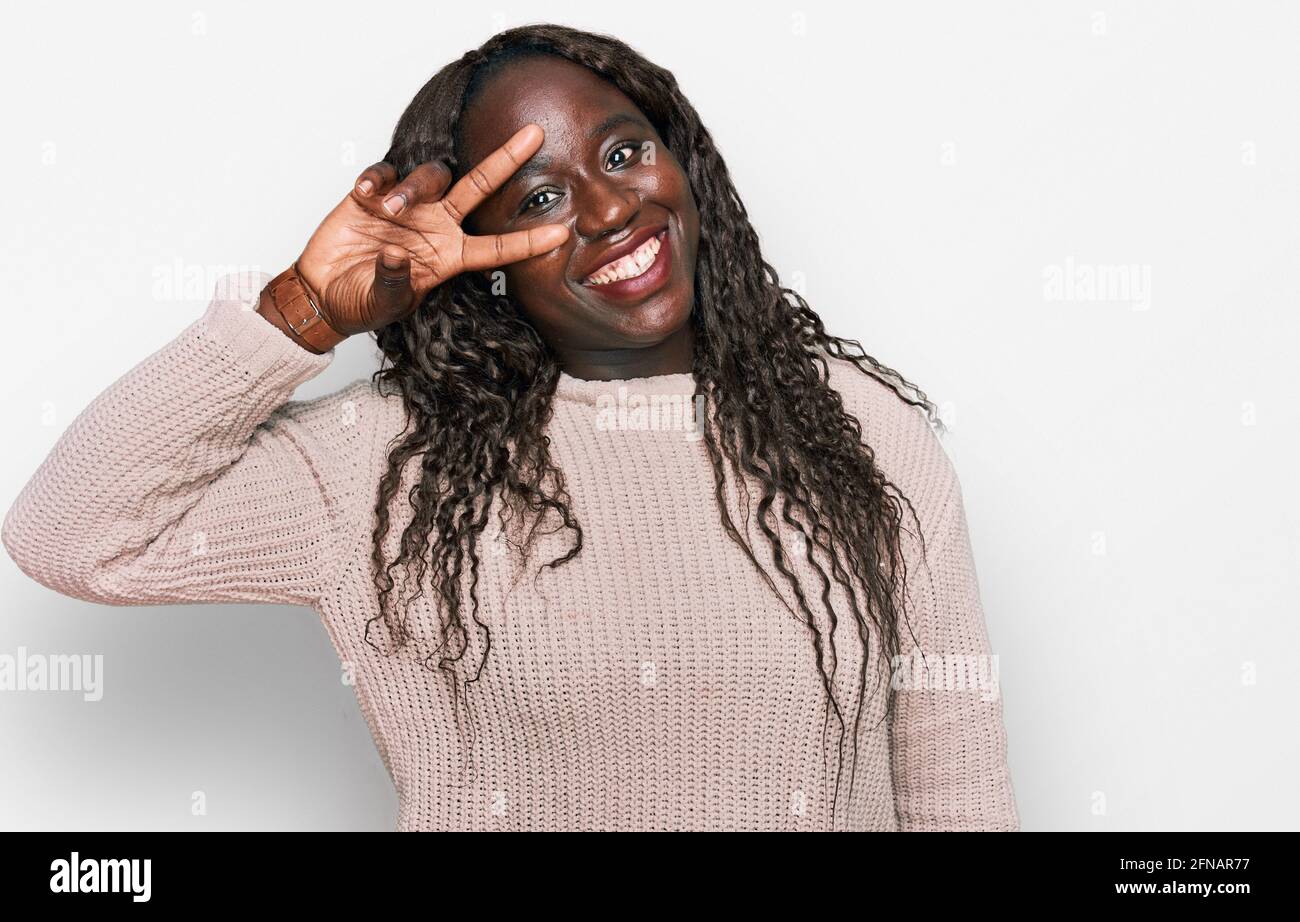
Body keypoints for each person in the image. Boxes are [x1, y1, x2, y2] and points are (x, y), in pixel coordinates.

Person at [2, 23, 1019, 831]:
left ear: (686, 166)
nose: (610, 209)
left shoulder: (859, 432)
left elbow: (955, 798)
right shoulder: (387, 464)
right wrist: (302, 311)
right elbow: (74, 533)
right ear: (480, 254)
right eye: (542, 197)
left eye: (625, 152)